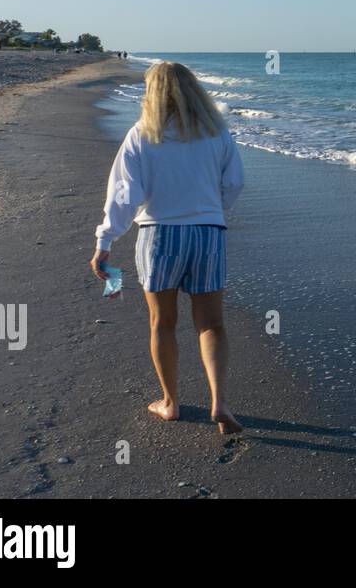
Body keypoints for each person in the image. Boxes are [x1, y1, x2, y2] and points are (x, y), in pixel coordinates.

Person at [89, 61, 246, 433]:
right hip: (208, 232)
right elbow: (236, 183)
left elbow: (124, 194)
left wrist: (105, 240)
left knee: (163, 323)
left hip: (160, 234)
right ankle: (220, 403)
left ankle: (171, 403)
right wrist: (213, 208)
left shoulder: (143, 134)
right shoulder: (216, 132)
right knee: (211, 323)